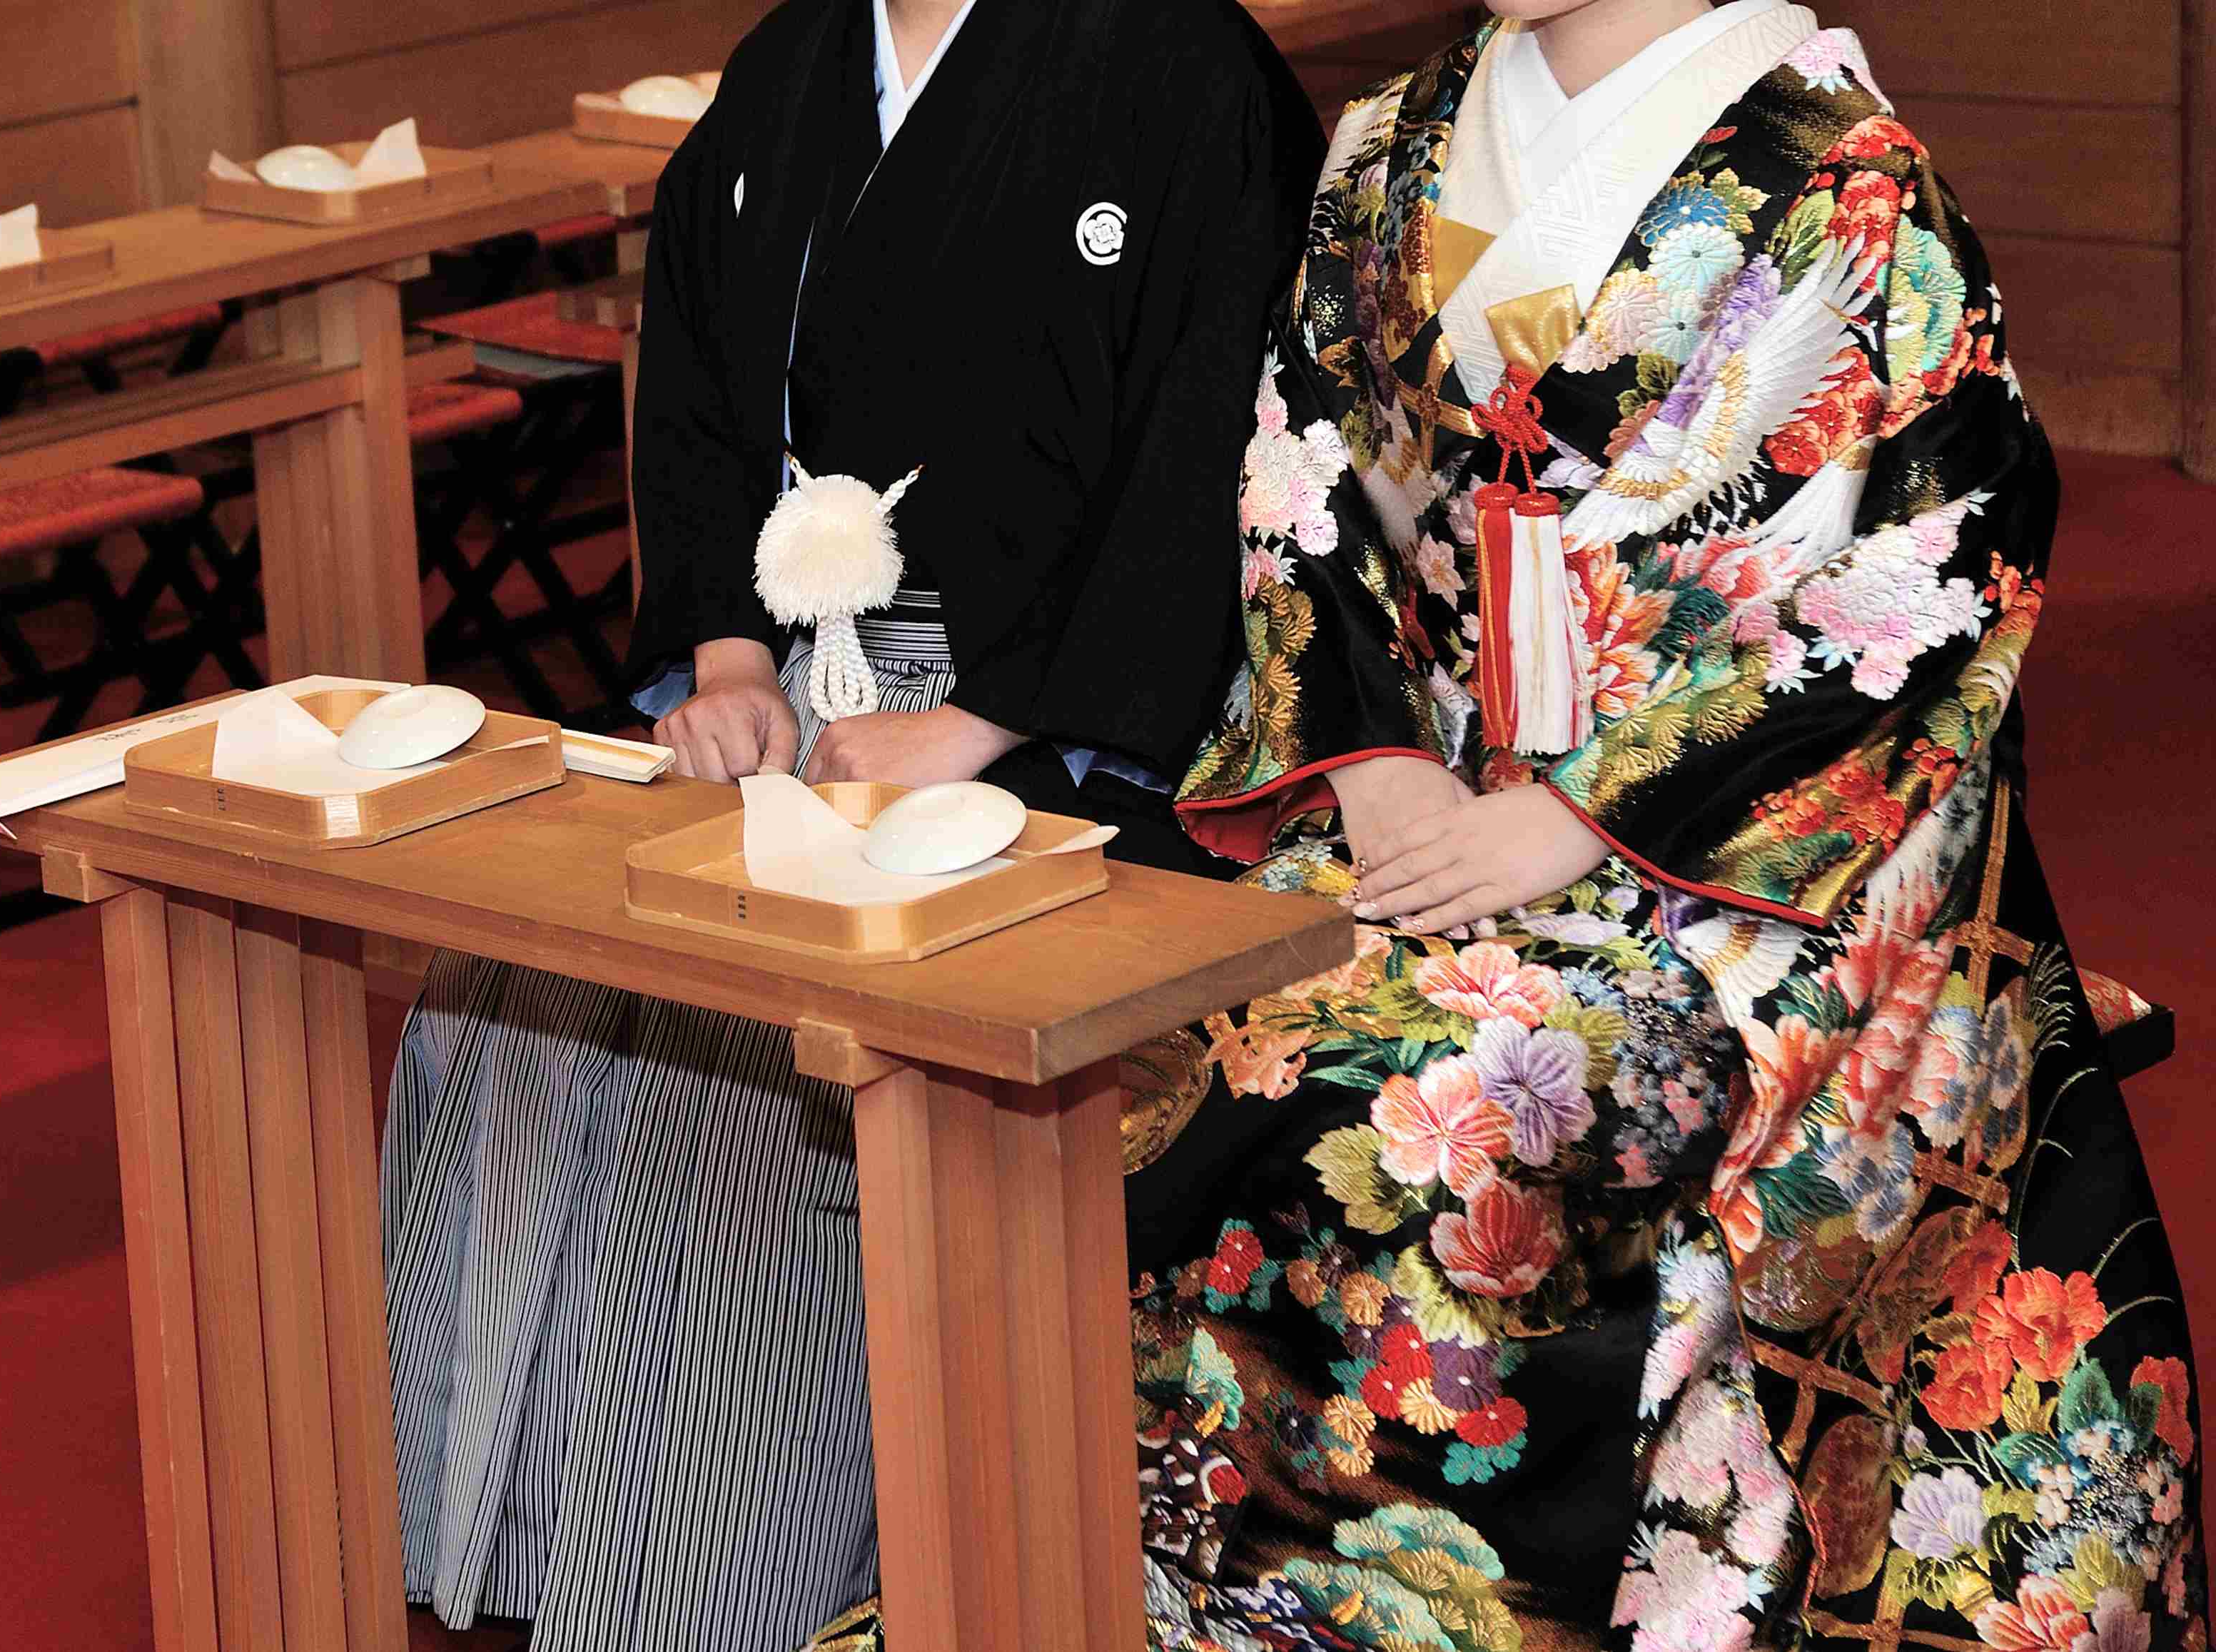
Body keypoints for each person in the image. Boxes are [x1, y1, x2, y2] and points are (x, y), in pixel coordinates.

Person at [1098, 1, 2215, 1648]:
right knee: (1156, 1029)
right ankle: (1167, 1587)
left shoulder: (1849, 181)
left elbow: (1936, 558)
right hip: (1426, 783)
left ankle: (1546, 1596)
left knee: (1449, 1107)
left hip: (1745, 835)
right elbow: (1304, 476)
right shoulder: (1388, 146)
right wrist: (1363, 757)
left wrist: (1580, 815)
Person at [378, 1, 1321, 1649]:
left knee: (751, 1049)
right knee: (515, 986)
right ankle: (531, 1550)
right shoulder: (788, 67)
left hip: (1081, 732)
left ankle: (748, 1596)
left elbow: (1210, 442)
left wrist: (981, 726)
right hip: (809, 692)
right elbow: (697, 394)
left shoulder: (1179, 64)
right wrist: (728, 661)